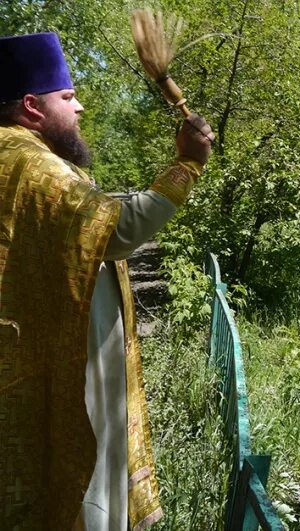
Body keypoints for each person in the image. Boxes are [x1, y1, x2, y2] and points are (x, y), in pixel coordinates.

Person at [0, 32, 213, 530]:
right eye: (67, 98)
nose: (79, 108)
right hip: (59, 363)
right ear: (32, 106)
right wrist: (187, 165)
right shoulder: (29, 163)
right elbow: (115, 230)